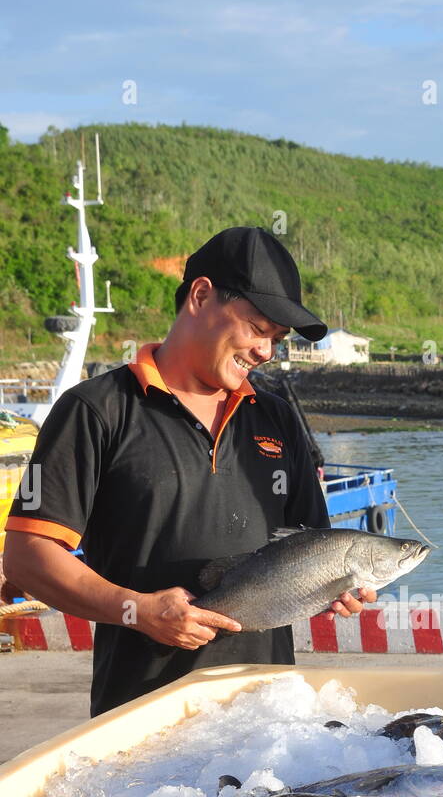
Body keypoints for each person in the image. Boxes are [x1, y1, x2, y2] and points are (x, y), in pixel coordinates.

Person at [3, 227, 375, 716]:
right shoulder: (96, 411)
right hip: (139, 715)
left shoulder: (277, 417)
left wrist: (335, 588)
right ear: (201, 296)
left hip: (268, 713)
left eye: (277, 340)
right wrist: (138, 611)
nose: (266, 351)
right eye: (258, 328)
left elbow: (312, 544)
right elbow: (27, 557)